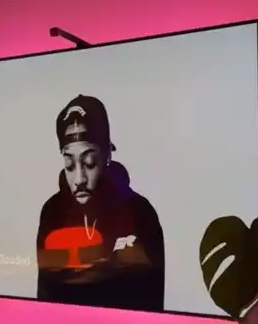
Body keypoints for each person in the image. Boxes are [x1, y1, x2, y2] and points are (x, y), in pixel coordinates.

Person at [36, 94, 165, 311]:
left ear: (107, 156)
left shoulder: (140, 213)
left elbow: (151, 305)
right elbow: (45, 296)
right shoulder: (52, 212)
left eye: (89, 162)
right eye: (69, 165)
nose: (79, 179)